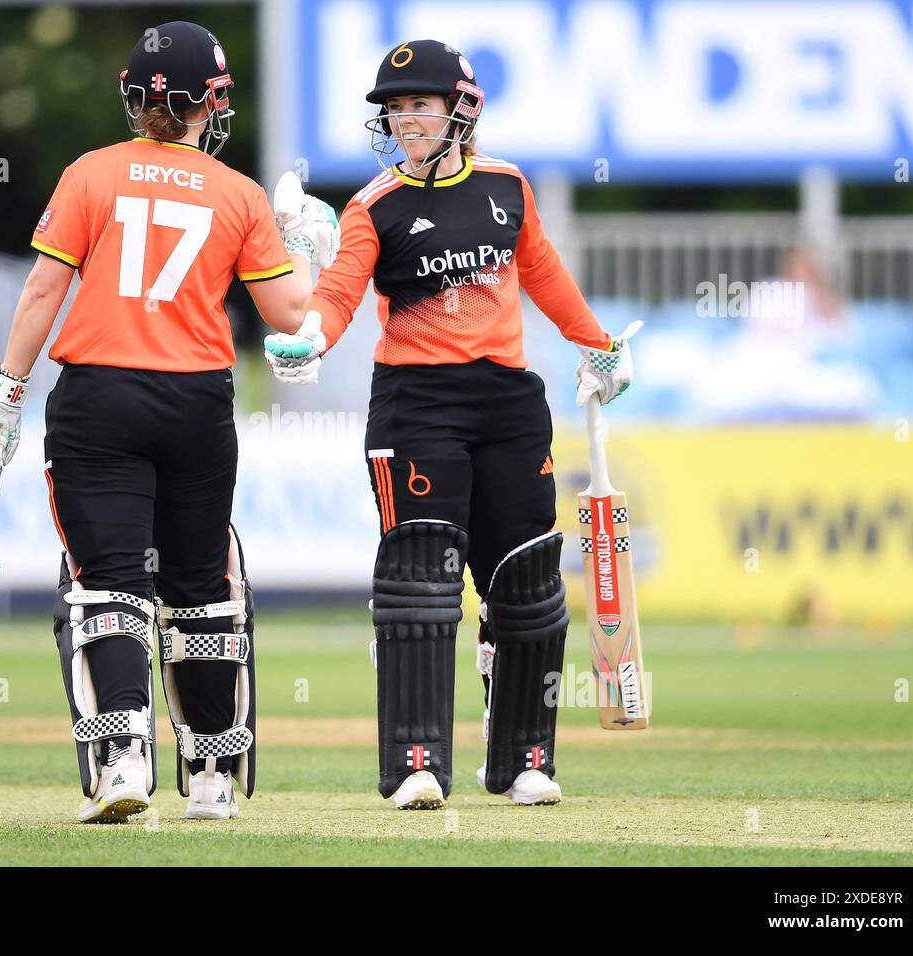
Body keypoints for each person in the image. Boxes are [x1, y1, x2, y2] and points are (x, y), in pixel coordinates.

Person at [0, 20, 336, 823]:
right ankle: (209, 778)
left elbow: (40, 294)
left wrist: (5, 392)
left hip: (99, 398)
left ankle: (124, 759)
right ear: (209, 104)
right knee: (200, 587)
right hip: (198, 401)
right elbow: (291, 316)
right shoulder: (237, 194)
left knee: (110, 581)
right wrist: (309, 246)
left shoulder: (91, 174)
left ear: (135, 97)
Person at [264, 39, 636, 810]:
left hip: (508, 404)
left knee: (525, 586)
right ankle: (415, 763)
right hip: (417, 405)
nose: (404, 122)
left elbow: (544, 275)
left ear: (462, 111)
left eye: (418, 107)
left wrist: (600, 347)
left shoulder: (507, 187)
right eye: (394, 111)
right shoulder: (375, 206)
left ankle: (525, 759)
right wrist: (310, 341)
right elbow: (335, 296)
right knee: (421, 584)